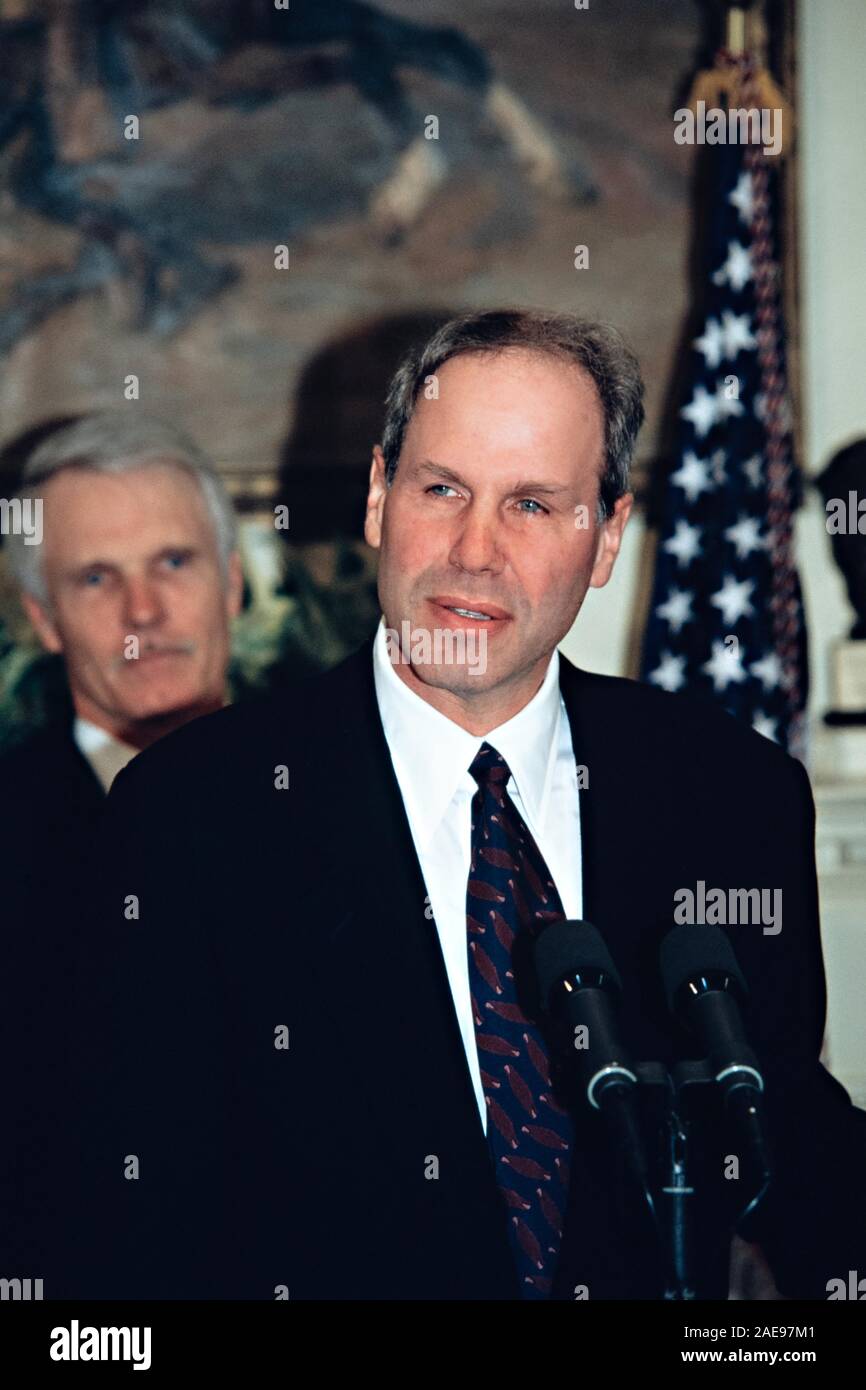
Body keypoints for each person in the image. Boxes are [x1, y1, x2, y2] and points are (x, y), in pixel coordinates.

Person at [70, 310, 865, 1300]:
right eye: (441, 489)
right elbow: (131, 1215)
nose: (474, 552)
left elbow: (782, 1130)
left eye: (532, 505)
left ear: (607, 535)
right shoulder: (190, 815)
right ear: (376, 498)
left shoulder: (728, 793)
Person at [0, 412, 242, 1289]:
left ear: (234, 583)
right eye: (96, 578)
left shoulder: (368, 800)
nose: (144, 612)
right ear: (44, 617)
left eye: (173, 563)